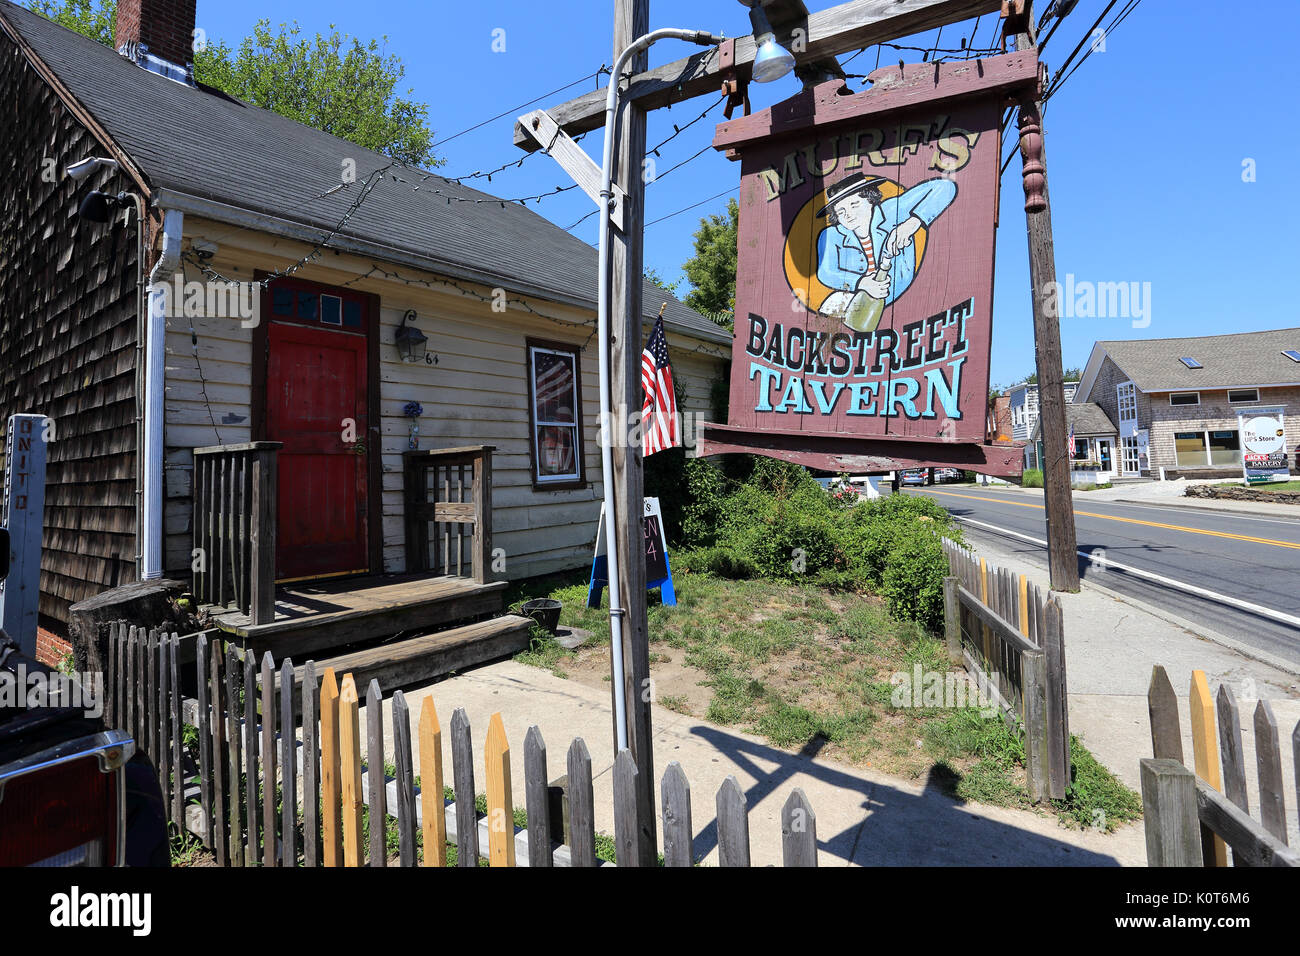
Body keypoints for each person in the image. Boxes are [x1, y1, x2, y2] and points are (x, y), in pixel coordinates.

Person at [815, 172, 957, 325]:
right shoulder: (830, 235)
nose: (848, 214)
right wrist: (862, 283)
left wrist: (912, 224)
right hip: (856, 305)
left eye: (854, 205)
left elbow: (945, 187)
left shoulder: (893, 210)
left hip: (910, 303)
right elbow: (826, 272)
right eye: (841, 212)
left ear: (870, 199)